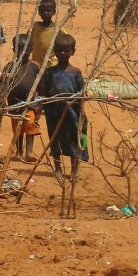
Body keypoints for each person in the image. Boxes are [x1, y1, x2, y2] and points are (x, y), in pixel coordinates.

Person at [38, 32, 87, 180]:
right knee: (55, 138)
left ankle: (73, 171)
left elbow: (81, 93)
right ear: (54, 50)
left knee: (74, 139)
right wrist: (40, 109)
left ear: (73, 51)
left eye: (66, 50)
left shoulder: (76, 72)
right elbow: (43, 92)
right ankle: (57, 168)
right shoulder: (49, 72)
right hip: (53, 112)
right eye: (59, 50)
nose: (63, 53)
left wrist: (79, 106)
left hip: (73, 111)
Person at [2, 33, 41, 162]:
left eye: (27, 49)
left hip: (30, 103)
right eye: (20, 49)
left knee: (30, 126)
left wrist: (40, 105)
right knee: (17, 129)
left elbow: (40, 83)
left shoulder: (34, 66)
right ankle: (19, 151)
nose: (24, 52)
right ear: (14, 50)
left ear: (31, 50)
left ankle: (28, 152)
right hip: (14, 103)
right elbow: (3, 83)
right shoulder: (10, 67)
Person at [28, 0, 63, 68]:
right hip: (36, 64)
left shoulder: (58, 30)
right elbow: (27, 40)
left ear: (54, 12)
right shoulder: (35, 27)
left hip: (51, 65)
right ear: (39, 12)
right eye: (43, 10)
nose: (45, 13)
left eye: (48, 10)